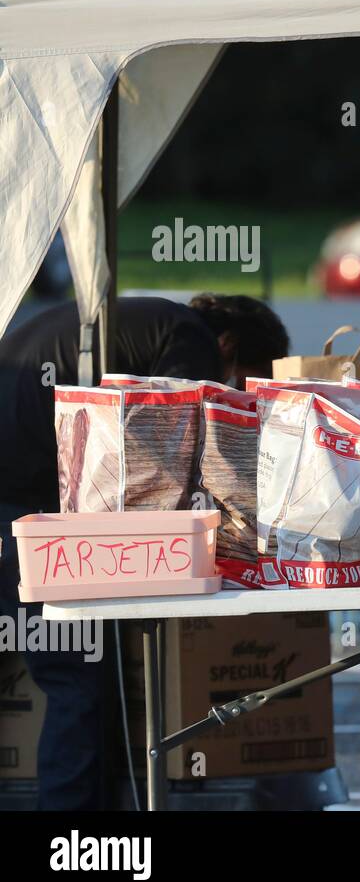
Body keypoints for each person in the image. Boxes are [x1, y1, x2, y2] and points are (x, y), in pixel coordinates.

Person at [0, 293, 289, 809]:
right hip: (20, 502)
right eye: (242, 382)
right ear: (228, 346)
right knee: (77, 674)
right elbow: (174, 455)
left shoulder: (149, 320)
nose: (235, 396)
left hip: (23, 487)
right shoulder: (191, 342)